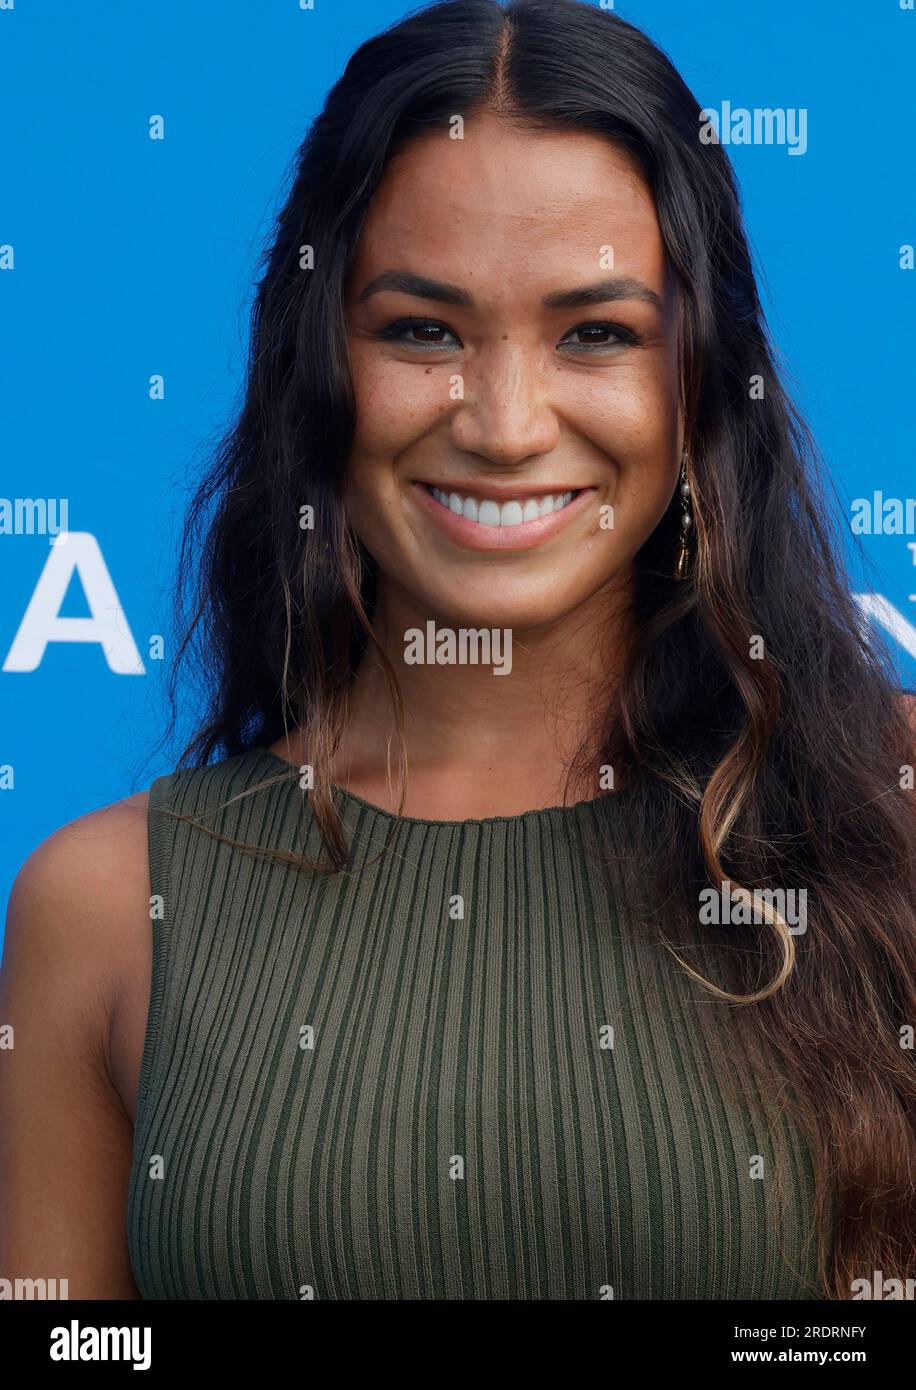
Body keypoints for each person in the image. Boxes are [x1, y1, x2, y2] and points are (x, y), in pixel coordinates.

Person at [1, 0, 914, 1301]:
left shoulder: (889, 812)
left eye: (597, 332)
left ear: (704, 383)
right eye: (422, 330)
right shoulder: (103, 905)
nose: (502, 422)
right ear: (315, 362)